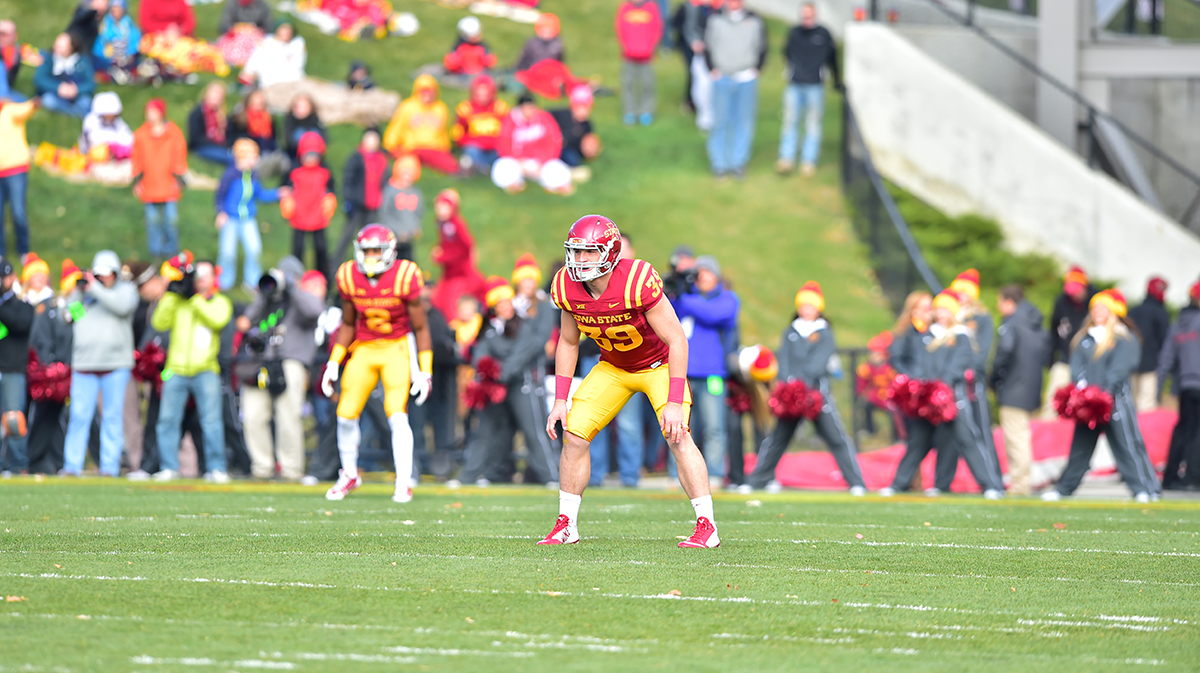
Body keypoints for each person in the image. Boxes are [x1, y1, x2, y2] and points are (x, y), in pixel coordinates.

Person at [541, 215, 720, 548]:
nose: (580, 261)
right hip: (613, 367)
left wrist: (675, 401)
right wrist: (560, 400)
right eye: (576, 252)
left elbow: (677, 340)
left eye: (590, 252)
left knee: (678, 436)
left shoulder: (636, 279)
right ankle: (566, 525)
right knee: (575, 435)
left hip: (658, 365)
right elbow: (568, 342)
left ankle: (707, 525)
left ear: (610, 252)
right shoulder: (566, 285)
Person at [321, 225, 432, 502]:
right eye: (366, 250)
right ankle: (349, 474)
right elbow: (348, 323)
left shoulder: (405, 276)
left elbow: (421, 328)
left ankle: (404, 481)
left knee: (396, 413)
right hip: (365, 347)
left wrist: (425, 371)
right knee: (345, 413)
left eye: (376, 250)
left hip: (396, 347)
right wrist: (333, 362)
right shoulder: (348, 275)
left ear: (390, 251)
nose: (370, 256)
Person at [742, 281, 865, 494]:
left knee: (836, 438)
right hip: (791, 396)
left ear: (818, 308)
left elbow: (818, 363)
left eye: (811, 305)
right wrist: (788, 384)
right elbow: (785, 360)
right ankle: (757, 481)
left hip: (816, 395)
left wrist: (803, 385)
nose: (806, 309)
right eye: (803, 305)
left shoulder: (825, 333)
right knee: (777, 439)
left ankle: (856, 483)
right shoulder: (790, 331)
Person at [880, 290, 1005, 499]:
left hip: (953, 400)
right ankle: (897, 484)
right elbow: (922, 365)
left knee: (968, 441)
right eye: (939, 309)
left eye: (947, 310)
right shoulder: (927, 335)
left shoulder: (961, 336)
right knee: (917, 443)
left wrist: (941, 389)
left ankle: (991, 485)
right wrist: (924, 389)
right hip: (929, 401)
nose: (942, 314)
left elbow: (957, 368)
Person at [1042, 290, 1160, 503]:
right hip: (1088, 406)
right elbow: (1076, 366)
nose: (1098, 312)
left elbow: (1120, 369)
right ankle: (1063, 489)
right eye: (1095, 308)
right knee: (1079, 448)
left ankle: (1144, 488)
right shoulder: (1084, 338)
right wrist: (1082, 392)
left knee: (1127, 446)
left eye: (1103, 308)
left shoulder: (1123, 337)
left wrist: (1103, 393)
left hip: (1115, 402)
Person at [455, 277, 558, 486]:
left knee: (534, 431)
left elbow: (521, 354)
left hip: (522, 384)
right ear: (494, 307)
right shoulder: (490, 329)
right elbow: (479, 355)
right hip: (496, 387)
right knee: (485, 431)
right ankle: (472, 475)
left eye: (507, 302)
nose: (506, 307)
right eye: (500, 303)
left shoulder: (524, 325)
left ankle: (552, 477)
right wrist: (488, 374)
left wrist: (497, 372)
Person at [236, 256, 323, 480]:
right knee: (253, 415)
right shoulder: (269, 300)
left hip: (291, 362)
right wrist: (264, 295)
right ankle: (261, 467)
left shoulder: (303, 298)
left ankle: (291, 470)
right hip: (262, 362)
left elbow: (314, 312)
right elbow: (247, 321)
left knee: (288, 417)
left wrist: (292, 289)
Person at [151, 259, 232, 482]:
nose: (200, 279)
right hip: (176, 369)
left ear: (213, 279)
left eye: (205, 275)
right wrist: (171, 294)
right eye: (198, 275)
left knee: (211, 421)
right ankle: (168, 466)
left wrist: (194, 298)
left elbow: (217, 320)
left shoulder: (218, 302)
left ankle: (216, 467)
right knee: (167, 420)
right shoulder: (179, 301)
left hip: (206, 369)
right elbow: (159, 322)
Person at [61, 250, 137, 477]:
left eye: (106, 274)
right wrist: (78, 291)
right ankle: (72, 466)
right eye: (98, 275)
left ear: (115, 273)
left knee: (112, 416)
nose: (103, 278)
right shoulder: (85, 295)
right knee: (79, 416)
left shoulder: (125, 291)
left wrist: (95, 288)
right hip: (85, 365)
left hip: (115, 365)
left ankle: (109, 467)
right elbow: (67, 315)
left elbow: (121, 307)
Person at [671, 255, 738, 485]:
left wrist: (683, 297)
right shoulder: (684, 298)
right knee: (678, 427)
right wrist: (676, 289)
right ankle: (677, 476)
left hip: (712, 375)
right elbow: (667, 315)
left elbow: (712, 314)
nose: (703, 276)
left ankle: (716, 475)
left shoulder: (727, 299)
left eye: (707, 271)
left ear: (716, 275)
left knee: (714, 428)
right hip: (684, 375)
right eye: (698, 273)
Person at [932, 269, 999, 495]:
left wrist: (971, 369)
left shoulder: (979, 318)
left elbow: (981, 350)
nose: (961, 296)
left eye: (965, 292)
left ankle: (993, 481)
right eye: (957, 292)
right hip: (949, 387)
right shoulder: (947, 321)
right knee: (950, 435)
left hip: (970, 383)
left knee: (977, 430)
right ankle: (943, 482)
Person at [990, 284, 1048, 496]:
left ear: (1008, 302)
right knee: (1022, 436)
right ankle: (1022, 481)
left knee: (1015, 438)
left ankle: (1020, 485)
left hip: (1013, 387)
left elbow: (1004, 352)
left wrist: (994, 378)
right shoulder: (1036, 324)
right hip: (1031, 387)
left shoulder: (1011, 324)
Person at [776, 2, 841, 177]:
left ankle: (808, 160)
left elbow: (832, 58)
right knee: (790, 122)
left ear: (815, 16)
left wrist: (836, 80)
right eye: (803, 16)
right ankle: (786, 158)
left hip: (815, 86)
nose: (806, 19)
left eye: (809, 16)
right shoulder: (794, 33)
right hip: (795, 84)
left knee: (812, 124)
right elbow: (786, 52)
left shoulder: (823, 34)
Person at [704, 0, 766, 180]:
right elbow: (708, 46)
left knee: (744, 121)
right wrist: (712, 68)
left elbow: (762, 47)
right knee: (720, 121)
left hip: (745, 78)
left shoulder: (755, 22)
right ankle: (719, 164)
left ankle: (738, 162)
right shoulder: (715, 20)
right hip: (722, 77)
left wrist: (756, 69)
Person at [214, 138, 283, 291]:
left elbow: (261, 194)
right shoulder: (230, 175)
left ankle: (252, 281)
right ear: (242, 157)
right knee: (227, 252)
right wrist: (221, 212)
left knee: (254, 249)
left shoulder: (253, 175)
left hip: (248, 220)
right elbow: (220, 195)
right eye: (253, 157)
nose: (256, 160)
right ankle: (224, 281)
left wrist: (277, 194)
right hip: (231, 219)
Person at [25, 254, 72, 475]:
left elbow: (66, 333)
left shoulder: (57, 304)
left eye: (43, 274)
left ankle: (53, 460)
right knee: (27, 415)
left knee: (54, 416)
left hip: (51, 370)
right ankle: (24, 460)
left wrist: (57, 362)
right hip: (25, 366)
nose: (40, 279)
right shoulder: (24, 303)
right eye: (35, 275)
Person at [131, 98, 187, 260]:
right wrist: (136, 181)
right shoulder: (141, 134)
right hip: (149, 183)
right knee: (152, 220)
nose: (150, 115)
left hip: (168, 182)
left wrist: (179, 178)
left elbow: (179, 156)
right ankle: (155, 251)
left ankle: (172, 250)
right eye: (148, 112)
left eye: (153, 112)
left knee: (171, 219)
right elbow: (137, 159)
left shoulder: (173, 133)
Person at [1158, 280, 1200, 491]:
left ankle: (1170, 477)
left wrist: (1160, 386)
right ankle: (1193, 478)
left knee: (1183, 429)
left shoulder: (1178, 323)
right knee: (1196, 431)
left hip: (1185, 384)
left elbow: (1166, 359)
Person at [280, 131, 336, 281]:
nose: (311, 158)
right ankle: (294, 279)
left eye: (314, 155)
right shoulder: (293, 171)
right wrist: (286, 201)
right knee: (298, 250)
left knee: (321, 249)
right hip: (299, 216)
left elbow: (331, 189)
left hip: (318, 216)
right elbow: (284, 188)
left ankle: (324, 280)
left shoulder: (325, 171)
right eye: (308, 154)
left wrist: (330, 200)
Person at [1040, 266, 1094, 419]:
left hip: (1088, 362)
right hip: (1064, 359)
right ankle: (1046, 433)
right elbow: (1053, 332)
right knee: (1052, 400)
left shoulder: (1094, 303)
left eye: (1077, 290)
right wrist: (1050, 359)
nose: (1074, 295)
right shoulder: (1061, 302)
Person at [492, 95, 572, 195]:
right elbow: (503, 144)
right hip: (517, 162)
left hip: (541, 162)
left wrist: (542, 161)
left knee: (557, 168)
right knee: (502, 166)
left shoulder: (545, 118)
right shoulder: (509, 120)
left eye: (531, 107)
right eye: (525, 108)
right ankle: (514, 184)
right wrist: (518, 160)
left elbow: (554, 142)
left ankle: (556, 185)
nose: (528, 111)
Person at [383, 74, 456, 175]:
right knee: (407, 164)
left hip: (434, 148)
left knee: (451, 167)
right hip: (413, 147)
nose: (427, 95)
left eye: (430, 92)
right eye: (424, 92)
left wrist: (447, 149)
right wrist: (390, 146)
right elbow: (396, 127)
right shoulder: (407, 107)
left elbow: (443, 133)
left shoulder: (441, 108)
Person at [429, 189, 485, 318]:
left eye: (444, 207)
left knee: (451, 305)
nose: (440, 211)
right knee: (437, 300)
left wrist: (443, 257)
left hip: (460, 274)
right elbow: (447, 244)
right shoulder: (443, 223)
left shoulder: (455, 224)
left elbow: (465, 246)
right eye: (438, 207)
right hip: (449, 272)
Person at [0, 256, 32, 474]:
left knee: (14, 418)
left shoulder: (21, 306)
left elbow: (20, 325)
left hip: (11, 368)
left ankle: (18, 463)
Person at [338, 128, 388, 263]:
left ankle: (368, 264)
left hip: (374, 204)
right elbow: (348, 180)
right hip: (357, 203)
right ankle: (335, 265)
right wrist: (348, 199)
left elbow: (385, 181)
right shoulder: (356, 158)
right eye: (368, 138)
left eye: (374, 139)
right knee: (347, 236)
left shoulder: (382, 159)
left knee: (370, 239)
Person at [615, 0, 663, 126]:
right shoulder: (625, 7)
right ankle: (630, 112)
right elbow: (620, 28)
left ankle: (646, 112)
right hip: (628, 55)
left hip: (646, 55)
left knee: (647, 85)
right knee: (628, 85)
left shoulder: (651, 7)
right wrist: (624, 47)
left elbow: (657, 28)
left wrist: (652, 48)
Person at [0, 97, 37, 260]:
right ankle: (1, 252)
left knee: (18, 211)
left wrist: (35, 102)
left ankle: (23, 250)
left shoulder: (9, 110)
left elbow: (28, 107)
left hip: (15, 169)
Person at [452, 74, 509, 175]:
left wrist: (494, 142)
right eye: (479, 93)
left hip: (494, 147)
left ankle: (478, 166)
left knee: (502, 151)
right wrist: (471, 141)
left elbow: (507, 132)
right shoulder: (465, 108)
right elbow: (458, 133)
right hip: (475, 147)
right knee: (472, 151)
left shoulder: (500, 108)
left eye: (486, 93)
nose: (483, 97)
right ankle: (483, 166)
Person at [1128, 277, 1170, 412]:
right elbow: (1165, 341)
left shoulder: (1133, 311)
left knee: (1130, 404)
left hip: (1131, 364)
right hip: (1151, 366)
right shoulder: (1161, 313)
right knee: (1146, 406)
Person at [34, 33, 95, 118]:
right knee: (48, 101)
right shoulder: (50, 58)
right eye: (56, 45)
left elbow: (90, 83)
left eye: (60, 46)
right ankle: (75, 113)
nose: (56, 47)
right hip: (56, 94)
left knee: (85, 102)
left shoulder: (82, 60)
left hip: (76, 94)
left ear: (71, 48)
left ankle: (73, 112)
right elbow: (39, 79)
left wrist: (76, 90)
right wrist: (58, 87)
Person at [855, 331, 901, 440]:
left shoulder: (890, 368)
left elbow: (896, 384)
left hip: (889, 396)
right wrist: (862, 394)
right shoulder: (867, 368)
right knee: (866, 405)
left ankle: (898, 436)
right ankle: (869, 430)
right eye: (872, 353)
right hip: (876, 395)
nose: (873, 356)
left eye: (877, 354)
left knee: (896, 412)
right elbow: (861, 383)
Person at [378, 155, 424, 261]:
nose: (407, 178)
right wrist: (397, 232)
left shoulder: (415, 193)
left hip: (407, 240)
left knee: (408, 265)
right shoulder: (390, 191)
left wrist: (414, 228)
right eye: (405, 174)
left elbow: (418, 213)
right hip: (392, 239)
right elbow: (385, 214)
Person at [550, 84, 601, 179]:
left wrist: (590, 150)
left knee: (572, 158)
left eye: (586, 108)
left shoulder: (586, 125)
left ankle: (566, 170)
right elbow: (544, 119)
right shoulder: (561, 114)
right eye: (579, 107)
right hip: (552, 144)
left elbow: (586, 142)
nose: (582, 111)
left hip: (567, 149)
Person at [239, 20, 306, 90]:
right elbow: (256, 58)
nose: (286, 33)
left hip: (291, 80)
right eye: (283, 30)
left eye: (288, 30)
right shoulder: (268, 42)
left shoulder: (297, 44)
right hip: (270, 81)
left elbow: (297, 64)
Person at [93, 0, 140, 83]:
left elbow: (134, 40)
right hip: (108, 56)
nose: (116, 13)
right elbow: (98, 44)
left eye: (119, 10)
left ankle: (122, 73)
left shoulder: (127, 24)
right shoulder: (105, 25)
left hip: (124, 55)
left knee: (132, 63)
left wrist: (129, 54)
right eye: (114, 10)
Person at [187, 82, 233, 167]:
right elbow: (195, 137)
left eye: (219, 96)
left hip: (219, 146)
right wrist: (217, 144)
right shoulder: (198, 113)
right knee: (231, 158)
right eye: (214, 94)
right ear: (207, 95)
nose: (217, 98)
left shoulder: (220, 116)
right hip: (201, 146)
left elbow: (227, 135)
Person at [79, 91, 133, 160]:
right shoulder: (91, 121)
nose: (111, 117)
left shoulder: (116, 122)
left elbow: (128, 137)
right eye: (109, 114)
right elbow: (94, 139)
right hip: (95, 157)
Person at [282, 93, 325, 167]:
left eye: (304, 106)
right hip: (295, 154)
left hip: (315, 152)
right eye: (298, 106)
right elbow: (288, 139)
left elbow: (323, 137)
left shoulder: (315, 120)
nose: (301, 109)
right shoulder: (290, 120)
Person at [1, 21, 24, 94]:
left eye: (4, 34)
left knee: (23, 101)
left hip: (7, 90)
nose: (2, 37)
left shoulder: (18, 51)